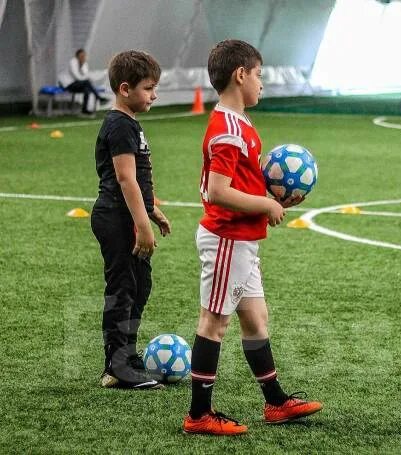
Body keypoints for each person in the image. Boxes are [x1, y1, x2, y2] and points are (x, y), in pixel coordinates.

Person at [182, 39, 322, 436]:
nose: (262, 82)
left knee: (256, 320)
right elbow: (218, 191)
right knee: (213, 323)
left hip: (242, 240)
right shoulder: (227, 128)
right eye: (259, 75)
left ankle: (275, 402)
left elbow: (242, 181)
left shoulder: (240, 123)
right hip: (226, 238)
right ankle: (198, 415)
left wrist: (274, 198)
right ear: (240, 75)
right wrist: (264, 203)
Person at [91, 50, 171, 389]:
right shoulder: (120, 125)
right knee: (122, 288)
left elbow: (138, 178)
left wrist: (152, 210)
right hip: (116, 217)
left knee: (140, 285)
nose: (154, 95)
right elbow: (125, 179)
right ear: (125, 89)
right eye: (148, 88)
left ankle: (128, 354)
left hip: (129, 215)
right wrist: (142, 225)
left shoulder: (130, 123)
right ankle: (116, 366)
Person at [58, 48, 109, 116]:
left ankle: (84, 111)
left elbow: (86, 76)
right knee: (86, 83)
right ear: (77, 56)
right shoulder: (72, 62)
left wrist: (91, 76)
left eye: (84, 56)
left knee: (86, 90)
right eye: (81, 56)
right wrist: (88, 78)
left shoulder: (84, 64)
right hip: (66, 84)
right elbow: (78, 77)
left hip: (76, 84)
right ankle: (99, 98)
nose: (83, 57)